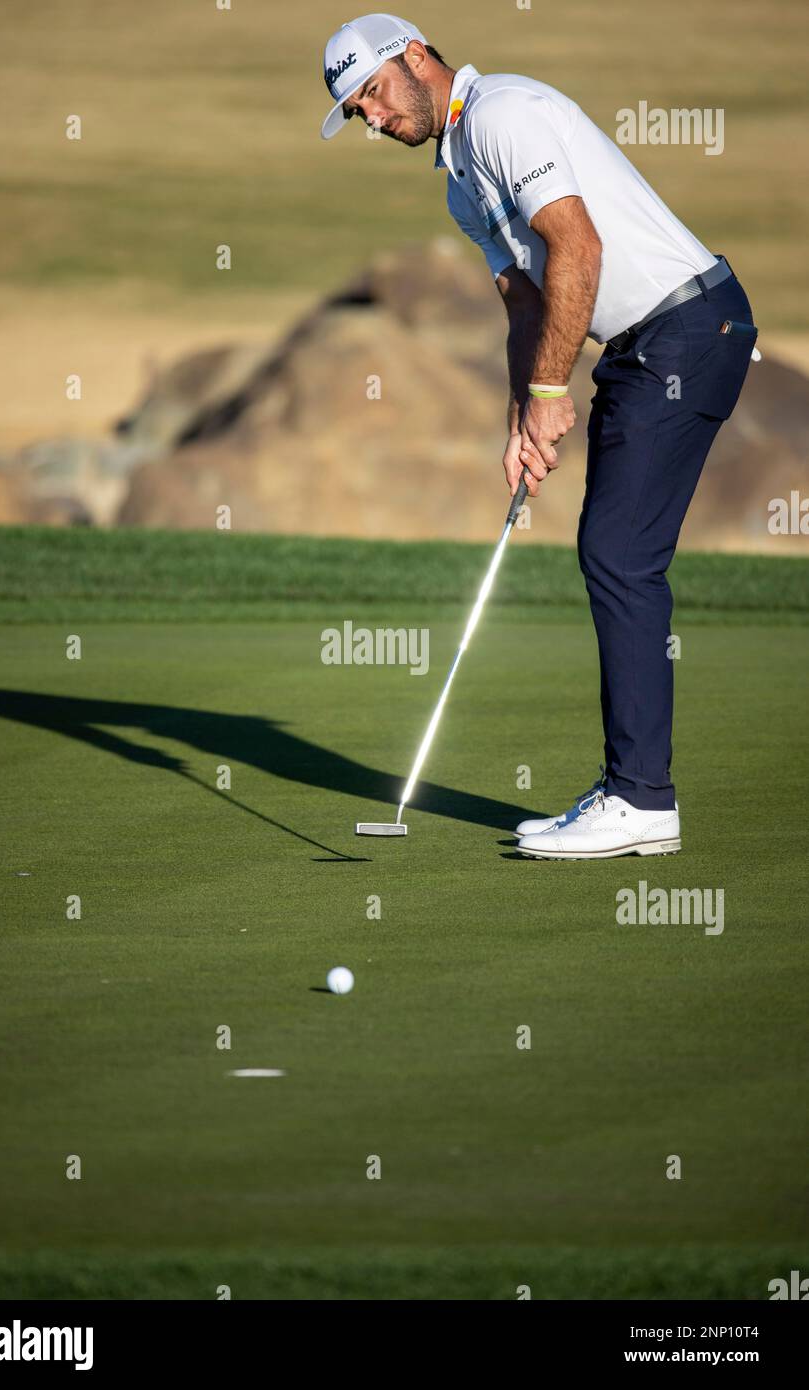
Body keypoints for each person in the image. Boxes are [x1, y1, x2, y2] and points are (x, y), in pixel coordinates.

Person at [320, 14, 757, 859]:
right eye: (355, 111)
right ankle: (636, 794)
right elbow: (525, 301)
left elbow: (577, 249)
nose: (371, 119)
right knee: (615, 550)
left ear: (416, 57)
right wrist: (523, 415)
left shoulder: (502, 116)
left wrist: (555, 388)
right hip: (645, 346)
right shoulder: (456, 181)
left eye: (371, 93)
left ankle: (639, 801)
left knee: (619, 553)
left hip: (686, 329)